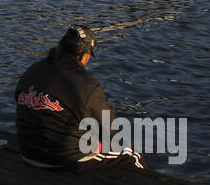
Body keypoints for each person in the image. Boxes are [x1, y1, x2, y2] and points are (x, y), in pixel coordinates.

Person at [14, 24, 144, 172]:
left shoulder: (33, 70)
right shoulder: (86, 84)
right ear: (85, 55)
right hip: (61, 160)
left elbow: (19, 101)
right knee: (131, 153)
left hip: (27, 152)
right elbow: (110, 132)